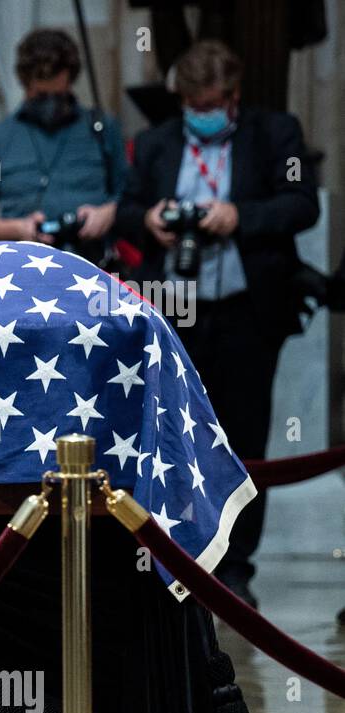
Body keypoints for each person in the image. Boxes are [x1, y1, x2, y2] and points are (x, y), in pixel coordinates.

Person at [116, 40, 319, 608]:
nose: (200, 112)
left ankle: (237, 568)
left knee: (245, 437)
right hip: (176, 312)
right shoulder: (157, 142)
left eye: (210, 102)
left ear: (232, 99)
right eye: (191, 103)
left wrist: (240, 216)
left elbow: (303, 204)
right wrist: (149, 220)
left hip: (248, 311)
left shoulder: (274, 133)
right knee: (178, 434)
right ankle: (180, 557)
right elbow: (126, 209)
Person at [0, 28, 127, 262]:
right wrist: (19, 228)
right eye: (40, 95)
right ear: (25, 84)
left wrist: (108, 213)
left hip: (93, 262)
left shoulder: (100, 128)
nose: (49, 104)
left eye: (56, 95)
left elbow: (131, 197)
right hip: (21, 268)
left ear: (69, 82)